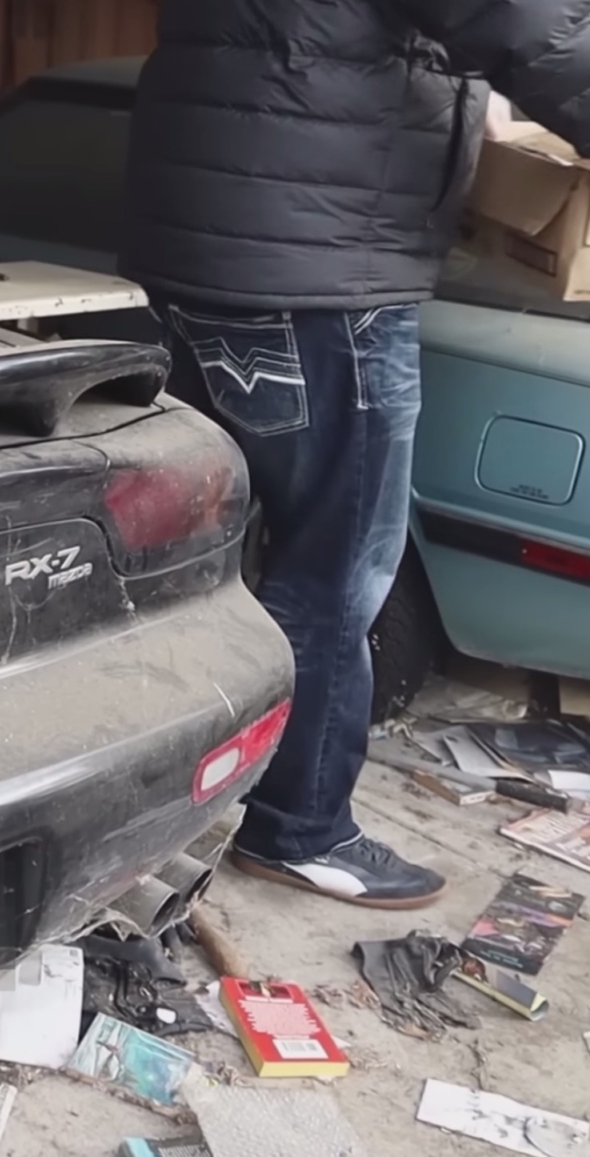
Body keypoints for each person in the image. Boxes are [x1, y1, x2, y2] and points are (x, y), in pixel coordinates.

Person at [121, 1, 590, 908]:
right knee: (334, 568)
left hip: (214, 244)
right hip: (321, 276)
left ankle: (167, 787)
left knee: (198, 551)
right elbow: (535, 30)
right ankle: (300, 828)